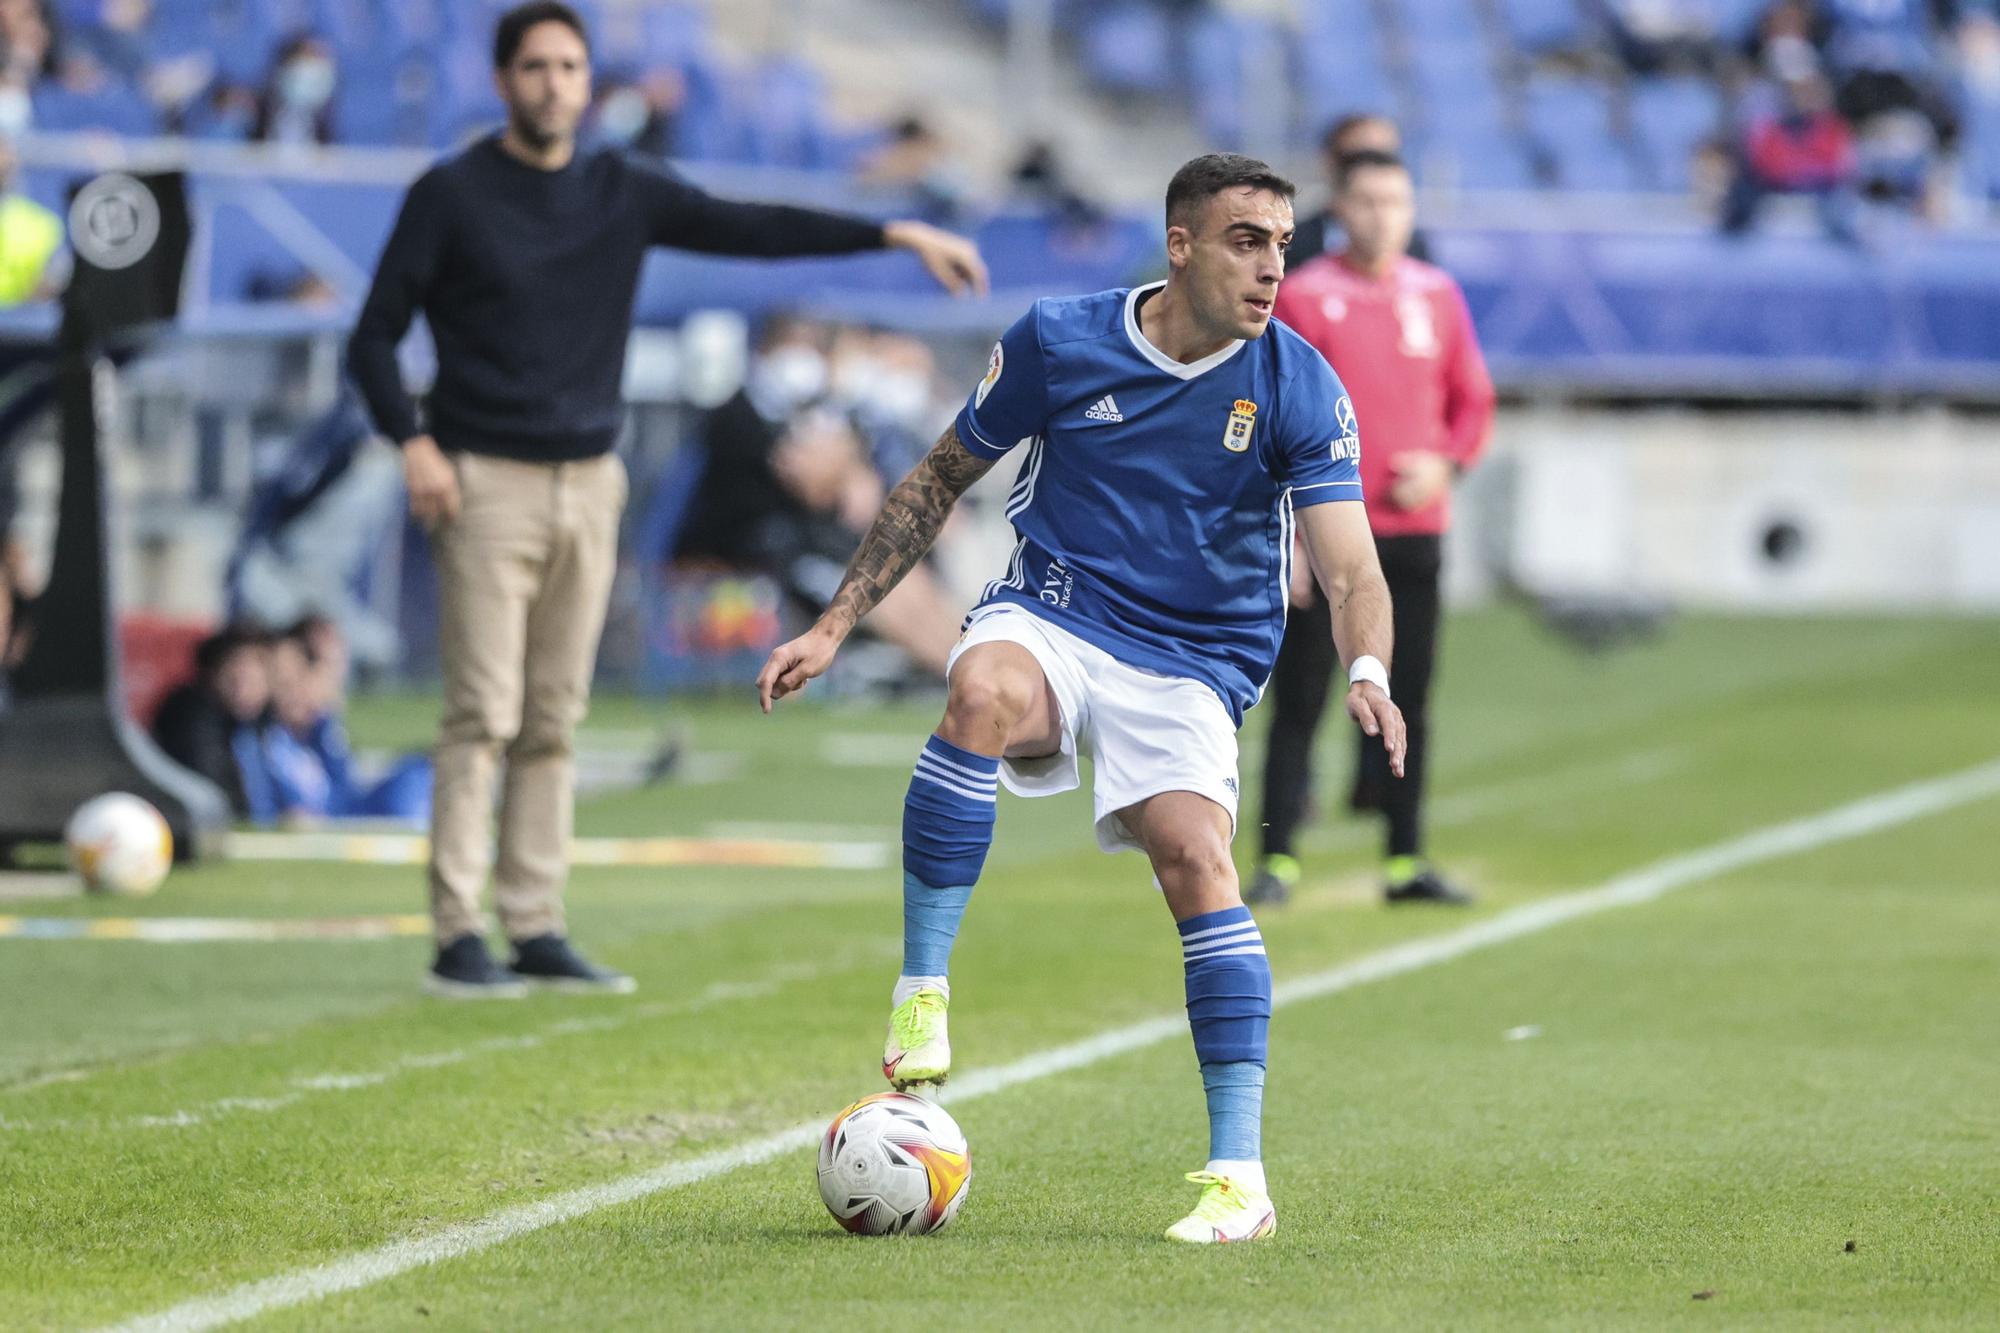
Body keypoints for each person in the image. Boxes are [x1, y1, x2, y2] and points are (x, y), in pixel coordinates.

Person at [757, 154, 1406, 1244]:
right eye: (1247, 240)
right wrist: (833, 622)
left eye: (1283, 246)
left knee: (1198, 864)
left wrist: (1366, 670)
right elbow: (934, 479)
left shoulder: (1298, 382)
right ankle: (922, 989)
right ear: (1182, 244)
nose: (1270, 269)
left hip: (1194, 660)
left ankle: (1238, 1179)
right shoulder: (1061, 338)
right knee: (978, 690)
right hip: (1054, 611)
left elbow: (1349, 571)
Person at [346, 1, 988, 1000]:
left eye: (569, 65)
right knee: (482, 708)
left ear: (586, 79)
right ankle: (455, 930)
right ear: (504, 78)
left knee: (555, 711)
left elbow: (751, 228)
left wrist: (891, 230)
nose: (553, 83)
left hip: (588, 479)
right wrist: (414, 443)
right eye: (535, 66)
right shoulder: (452, 194)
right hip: (486, 478)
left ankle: (535, 919)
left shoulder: (619, 188)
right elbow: (372, 337)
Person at [1251, 150, 1495, 909]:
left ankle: (1404, 859)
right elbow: (1270, 406)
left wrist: (1446, 463)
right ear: (1341, 210)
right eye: (1368, 201)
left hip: (1414, 527)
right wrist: (1286, 530)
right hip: (1325, 533)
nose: (1383, 215)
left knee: (1410, 694)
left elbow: (1472, 401)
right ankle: (1277, 858)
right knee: (1301, 700)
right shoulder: (1303, 296)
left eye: (1396, 200)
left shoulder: (1438, 295)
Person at [152, 623, 270, 815]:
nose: (244, 687)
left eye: (256, 680)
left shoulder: (257, 725)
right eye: (235, 677)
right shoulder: (190, 716)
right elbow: (215, 791)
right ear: (214, 671)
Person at [1288, 114, 1431, 266]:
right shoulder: (1293, 242)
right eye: (1354, 159)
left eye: (1383, 156)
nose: (1370, 167)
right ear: (1328, 162)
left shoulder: (1416, 251)